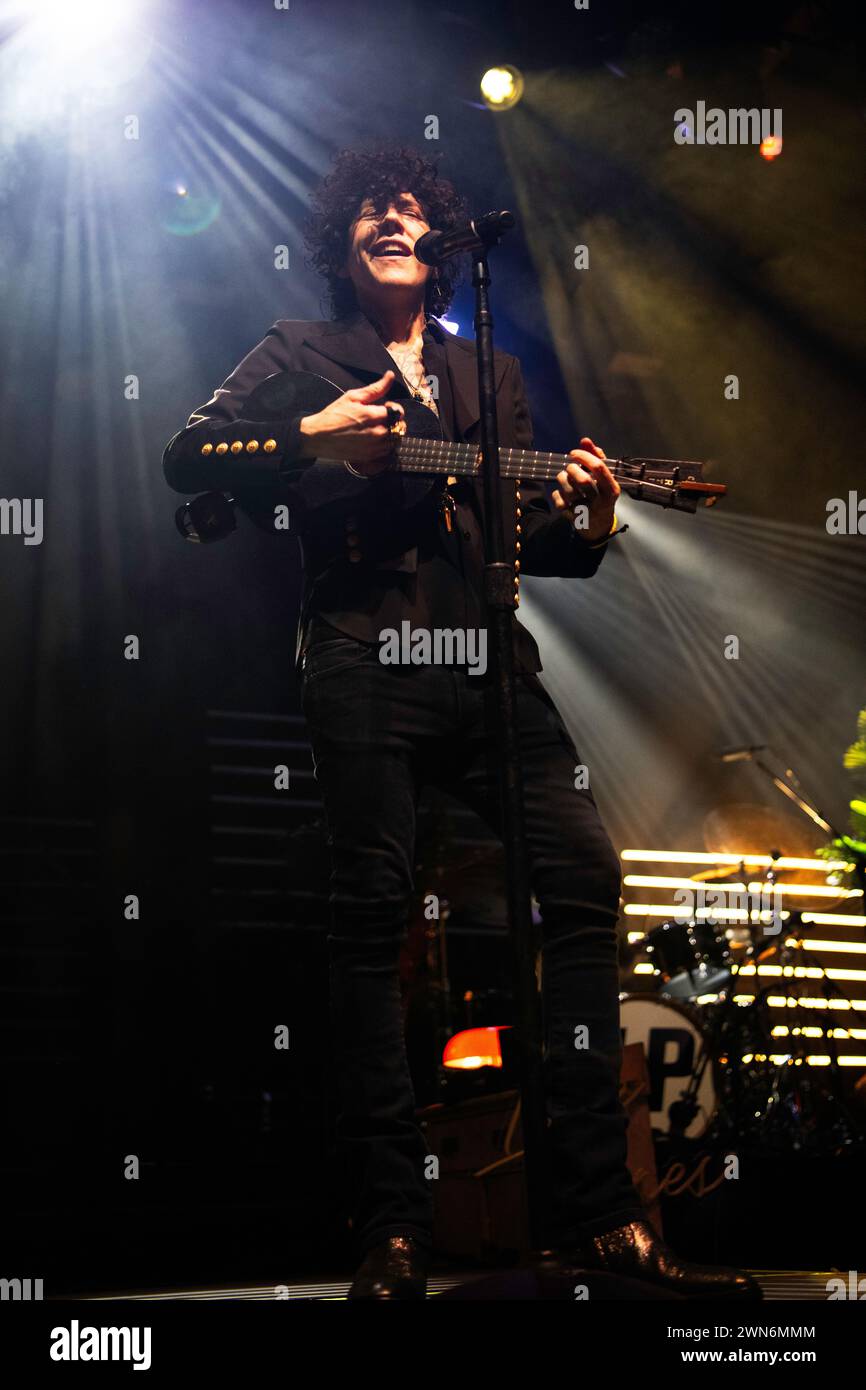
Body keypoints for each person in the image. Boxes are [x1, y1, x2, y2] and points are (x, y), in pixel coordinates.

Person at [163, 145, 759, 1300]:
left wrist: (587, 520)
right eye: (372, 210)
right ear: (343, 242)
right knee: (370, 917)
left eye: (413, 210)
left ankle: (597, 1209)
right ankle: (393, 1226)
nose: (393, 219)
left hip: (490, 665)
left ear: (439, 247)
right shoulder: (301, 350)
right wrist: (307, 438)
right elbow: (186, 452)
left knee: (583, 875)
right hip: (360, 660)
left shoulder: (488, 373)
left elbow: (528, 551)